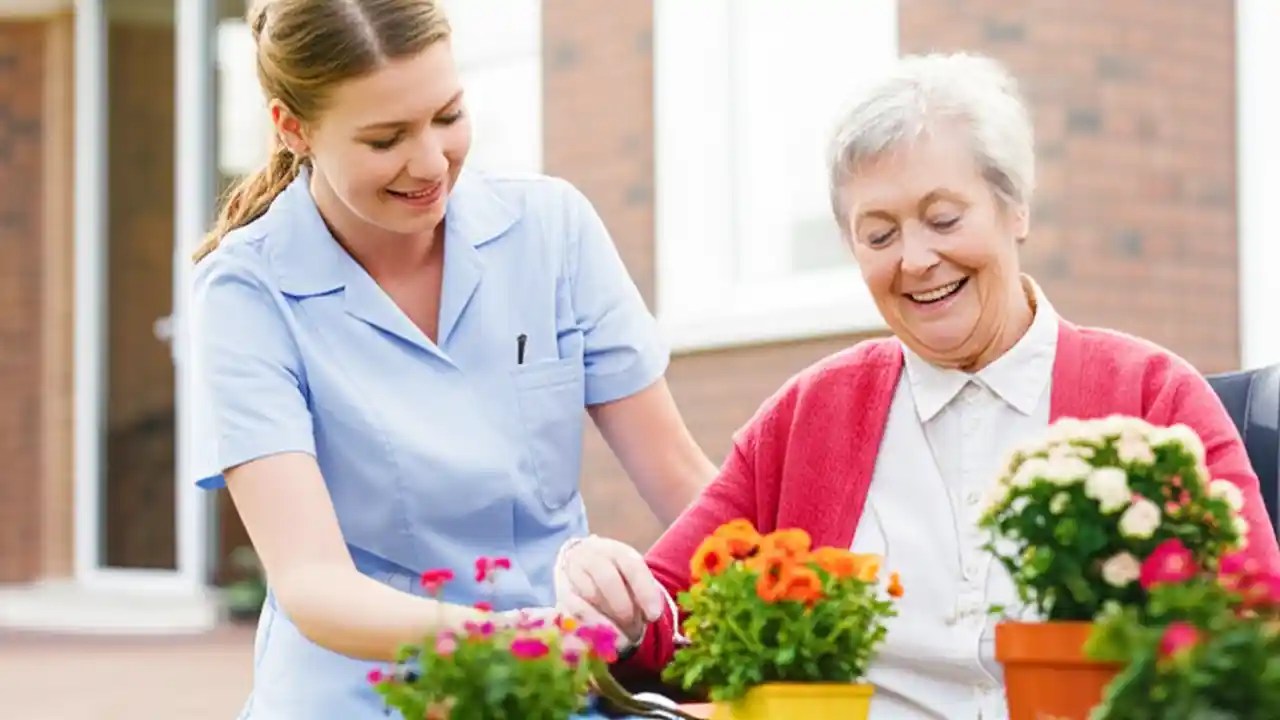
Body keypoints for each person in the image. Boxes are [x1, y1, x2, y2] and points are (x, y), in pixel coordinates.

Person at [553, 52, 1280, 719]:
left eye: (942, 218)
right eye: (879, 235)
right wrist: (604, 594)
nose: (916, 259)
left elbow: (1252, 630)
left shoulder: (1152, 396)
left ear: (1014, 208)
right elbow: (665, 623)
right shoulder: (810, 417)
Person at [189, 1, 715, 717]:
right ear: (294, 127)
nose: (432, 163)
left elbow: (683, 479)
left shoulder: (551, 230)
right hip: (360, 694)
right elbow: (313, 584)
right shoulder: (248, 291)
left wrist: (793, 603)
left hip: (555, 690)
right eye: (385, 139)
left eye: (447, 116)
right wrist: (520, 639)